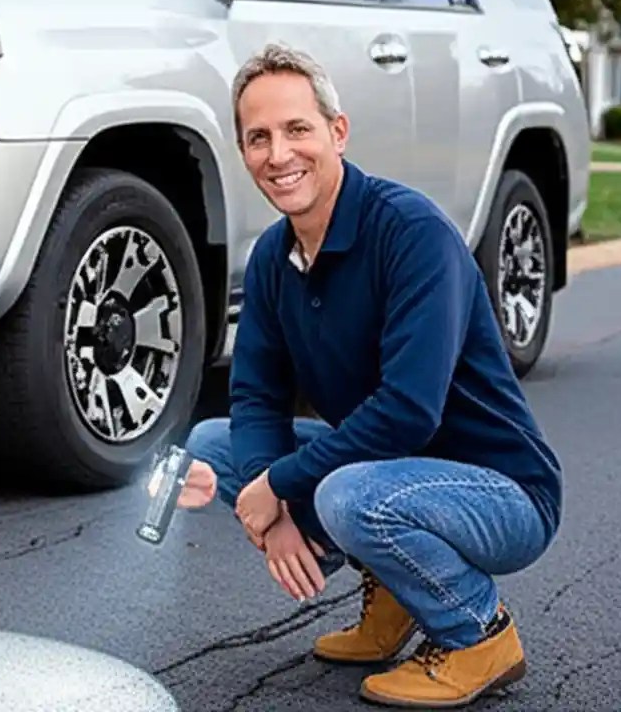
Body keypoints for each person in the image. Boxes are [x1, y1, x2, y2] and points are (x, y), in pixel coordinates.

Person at [176, 43, 563, 708]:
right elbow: (256, 393)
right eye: (258, 137)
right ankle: (396, 593)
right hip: (391, 476)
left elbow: (410, 412)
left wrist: (281, 484)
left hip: (504, 493)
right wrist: (273, 512)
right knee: (215, 446)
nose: (278, 154)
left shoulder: (411, 233)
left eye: (297, 129)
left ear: (338, 131)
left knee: (346, 494)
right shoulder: (273, 257)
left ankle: (479, 636)